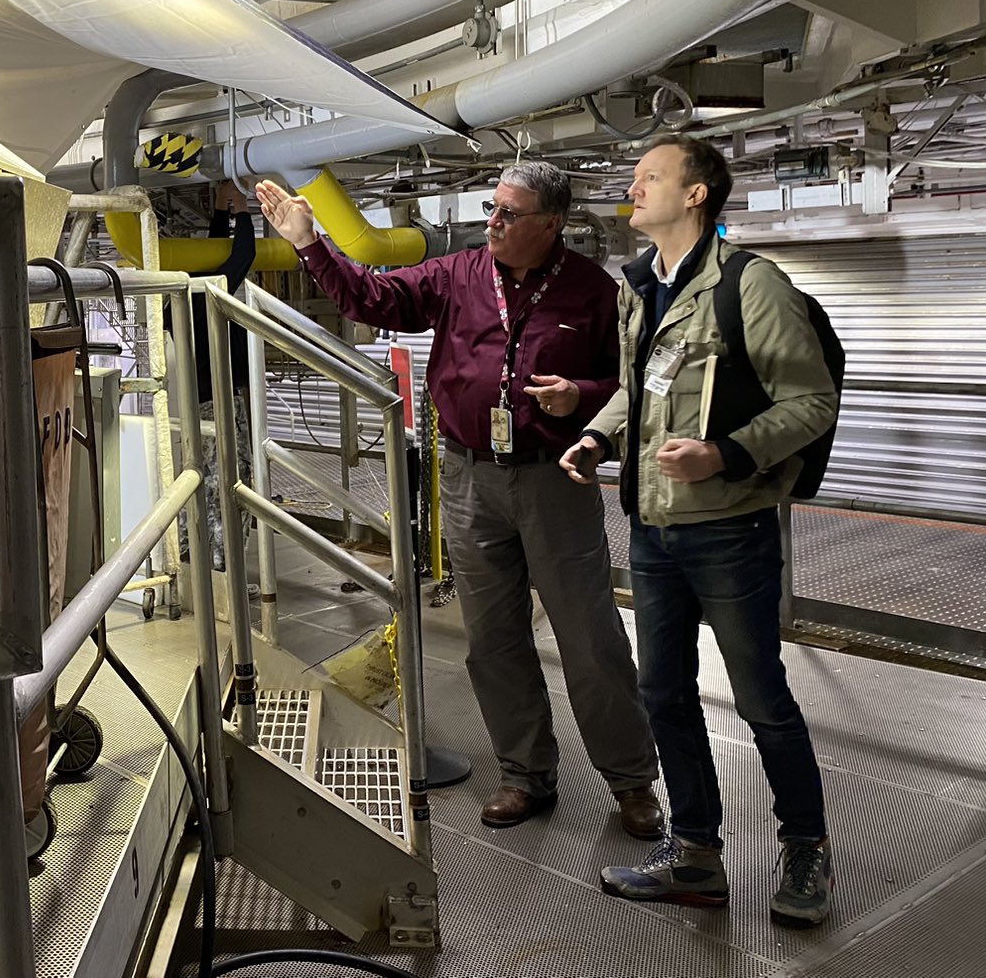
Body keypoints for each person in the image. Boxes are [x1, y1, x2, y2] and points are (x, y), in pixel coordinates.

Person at [256, 163, 662, 837]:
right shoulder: (458, 275)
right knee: (493, 639)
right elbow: (371, 301)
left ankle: (632, 781)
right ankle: (525, 774)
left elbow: (630, 385)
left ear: (551, 224)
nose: (492, 223)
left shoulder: (595, 293)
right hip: (469, 477)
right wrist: (309, 241)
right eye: (491, 209)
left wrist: (581, 399)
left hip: (552, 478)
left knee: (590, 638)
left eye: (510, 214)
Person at [560, 134, 837, 926]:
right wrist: (598, 436)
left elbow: (809, 401)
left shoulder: (751, 285)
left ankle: (808, 851)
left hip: (728, 530)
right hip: (652, 528)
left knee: (760, 699)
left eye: (650, 176)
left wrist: (725, 454)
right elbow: (637, 388)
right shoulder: (639, 285)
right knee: (665, 695)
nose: (632, 185)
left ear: (696, 195)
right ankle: (696, 857)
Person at [169, 180, 256, 577]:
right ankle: (224, 573)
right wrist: (242, 206)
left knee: (199, 482)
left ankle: (193, 564)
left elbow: (219, 255)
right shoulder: (208, 295)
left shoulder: (180, 301)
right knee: (232, 480)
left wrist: (222, 208)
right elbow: (243, 254)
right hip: (219, 401)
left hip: (193, 401)